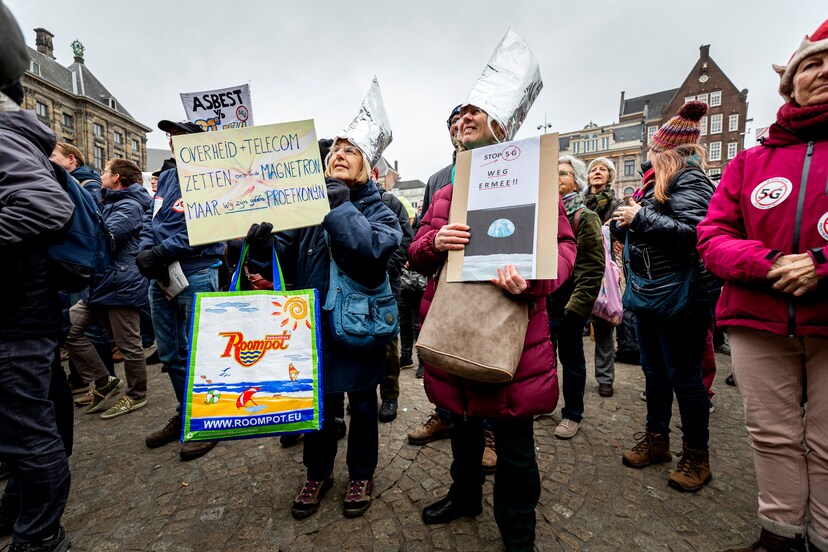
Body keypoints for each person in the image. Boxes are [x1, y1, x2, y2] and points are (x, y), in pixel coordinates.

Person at [412, 31, 577, 551]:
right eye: (457, 116)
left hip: (513, 335)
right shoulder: (444, 191)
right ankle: (464, 497)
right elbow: (415, 250)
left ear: (500, 128)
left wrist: (532, 280)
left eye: (475, 115)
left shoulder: (534, 181)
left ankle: (518, 533)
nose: (462, 121)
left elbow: (565, 250)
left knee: (514, 447)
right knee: (460, 429)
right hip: (453, 325)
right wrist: (436, 240)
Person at [698, 20, 828, 552]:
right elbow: (713, 234)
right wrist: (772, 262)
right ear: (790, 81)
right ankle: (779, 538)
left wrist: (820, 264)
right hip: (757, 316)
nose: (823, 73)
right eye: (813, 64)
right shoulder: (750, 161)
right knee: (771, 435)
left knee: (827, 443)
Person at [248, 82, 401, 520]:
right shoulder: (305, 210)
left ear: (369, 169)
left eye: (350, 150)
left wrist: (340, 208)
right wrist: (261, 246)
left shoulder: (380, 210)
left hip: (360, 327)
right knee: (316, 404)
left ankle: (361, 473)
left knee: (363, 403)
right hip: (309, 326)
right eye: (334, 148)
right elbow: (283, 258)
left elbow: (372, 256)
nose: (338, 154)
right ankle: (317, 471)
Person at [612, 100, 718, 493]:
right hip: (653, 293)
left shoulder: (691, 181)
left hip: (682, 296)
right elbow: (652, 231)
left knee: (686, 379)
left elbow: (694, 233)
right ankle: (657, 441)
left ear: (668, 152)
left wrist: (639, 218)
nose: (649, 157)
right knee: (654, 374)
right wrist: (625, 225)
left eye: (654, 151)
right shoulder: (654, 185)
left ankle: (697, 456)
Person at [0, 64, 74, 551]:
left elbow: (46, 206)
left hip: (17, 312)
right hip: (28, 309)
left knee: (30, 432)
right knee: (33, 422)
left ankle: (40, 534)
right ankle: (24, 510)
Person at [138, 119, 225, 461]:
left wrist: (163, 251)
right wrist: (146, 250)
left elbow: (211, 226)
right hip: (162, 276)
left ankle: (210, 421)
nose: (173, 142)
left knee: (202, 353)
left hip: (198, 271)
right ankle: (186, 411)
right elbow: (152, 217)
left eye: (180, 136)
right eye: (170, 137)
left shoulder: (214, 177)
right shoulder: (170, 177)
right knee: (172, 353)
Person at [65, 158, 151, 419]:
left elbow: (107, 238)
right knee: (69, 329)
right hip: (102, 282)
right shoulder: (109, 201)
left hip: (121, 282)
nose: (100, 175)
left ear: (117, 178)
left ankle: (137, 394)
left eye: (105, 171)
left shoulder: (130, 205)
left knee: (129, 345)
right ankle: (104, 381)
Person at [546, 155, 605, 439]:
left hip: (569, 306)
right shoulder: (543, 215)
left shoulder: (585, 216)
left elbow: (593, 268)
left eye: (564, 174)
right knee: (544, 360)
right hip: (545, 304)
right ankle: (545, 403)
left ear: (576, 182)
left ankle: (572, 413)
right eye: (554, 173)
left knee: (571, 361)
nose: (557, 177)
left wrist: (577, 308)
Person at [374, 165, 414, 423]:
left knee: (388, 341)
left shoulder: (390, 202)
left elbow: (405, 241)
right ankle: (360, 393)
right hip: (351, 287)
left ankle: (390, 395)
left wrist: (380, 269)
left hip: (386, 282)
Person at [584, 156, 621, 397]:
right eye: (593, 170)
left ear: (609, 177)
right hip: (578, 266)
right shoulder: (579, 199)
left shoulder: (616, 203)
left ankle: (605, 378)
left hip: (603, 270)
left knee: (604, 325)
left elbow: (620, 229)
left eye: (602, 170)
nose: (597, 173)